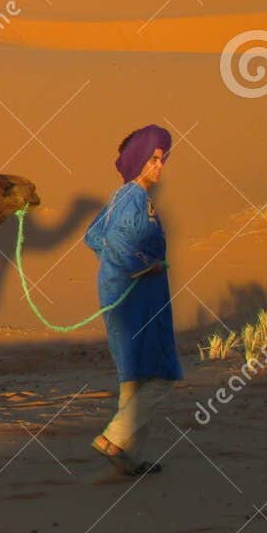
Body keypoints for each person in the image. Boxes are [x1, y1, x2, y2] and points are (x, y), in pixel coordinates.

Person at [82, 124, 182, 477]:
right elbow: (117, 243)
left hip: (126, 292)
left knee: (134, 376)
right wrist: (143, 266)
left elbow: (93, 236)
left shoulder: (123, 195)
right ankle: (114, 437)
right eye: (154, 159)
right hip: (136, 296)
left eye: (162, 159)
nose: (159, 166)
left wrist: (115, 269)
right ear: (139, 159)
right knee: (163, 374)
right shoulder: (134, 197)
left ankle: (128, 457)